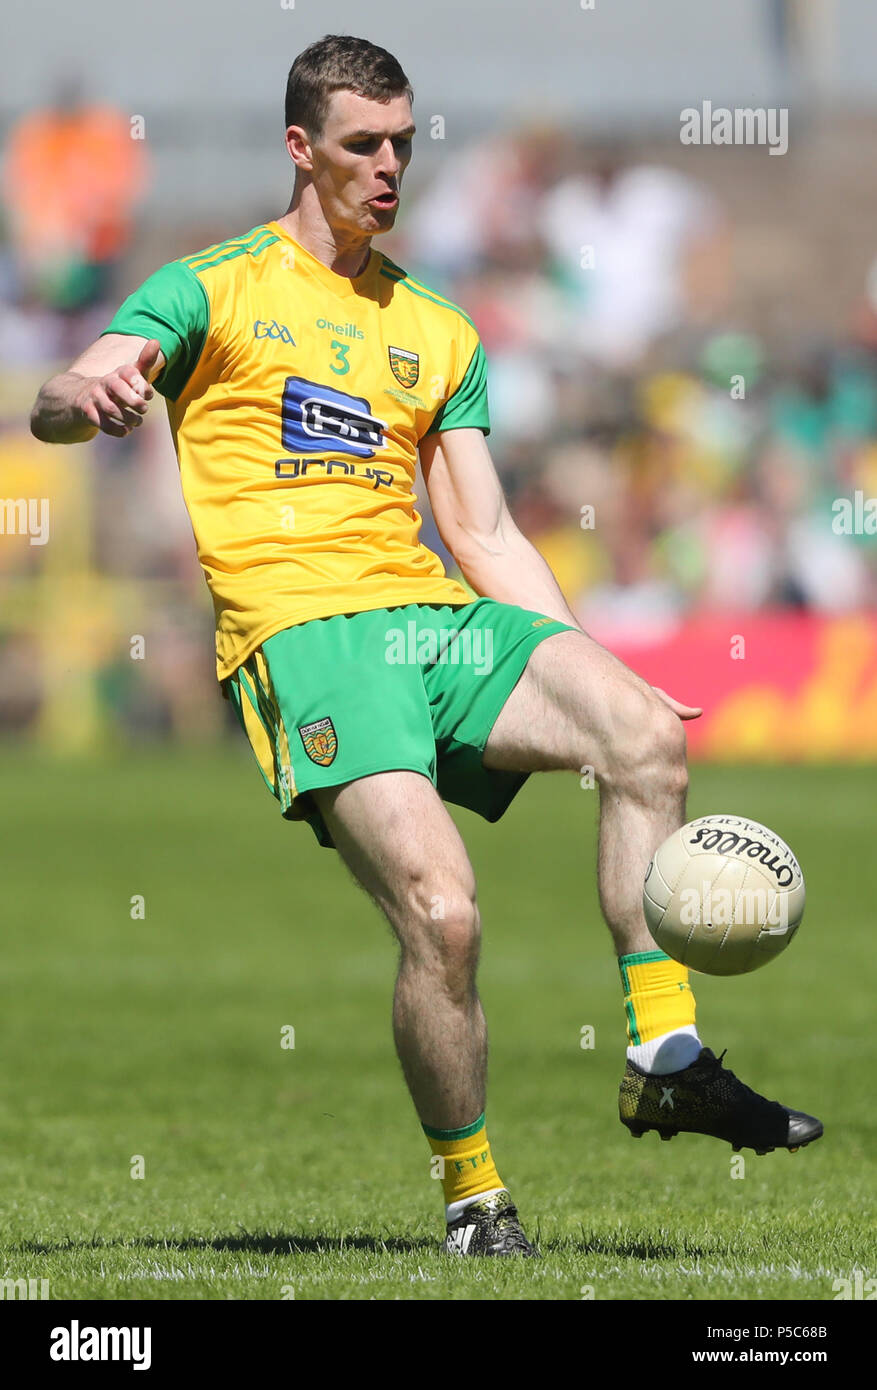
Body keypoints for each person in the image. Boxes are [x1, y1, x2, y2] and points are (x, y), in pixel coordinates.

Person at [30, 34, 822, 1258]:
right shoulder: (211, 286)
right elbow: (70, 386)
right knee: (443, 918)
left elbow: (486, 528)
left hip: (430, 621)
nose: (390, 165)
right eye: (363, 144)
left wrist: (588, 662)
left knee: (644, 735)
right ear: (302, 148)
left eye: (404, 141)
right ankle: (474, 1199)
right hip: (305, 639)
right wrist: (84, 398)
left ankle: (663, 1054)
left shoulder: (436, 324)